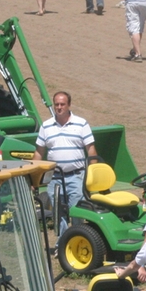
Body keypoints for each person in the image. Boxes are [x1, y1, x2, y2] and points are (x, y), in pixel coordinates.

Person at [32, 91, 97, 234]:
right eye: (57, 104)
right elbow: (39, 153)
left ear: (69, 105)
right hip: (54, 178)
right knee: (58, 213)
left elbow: (91, 151)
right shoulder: (46, 126)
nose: (59, 107)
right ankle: (61, 244)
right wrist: (33, 178)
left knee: (77, 213)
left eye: (62, 104)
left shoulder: (81, 124)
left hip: (76, 176)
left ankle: (76, 240)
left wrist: (92, 177)